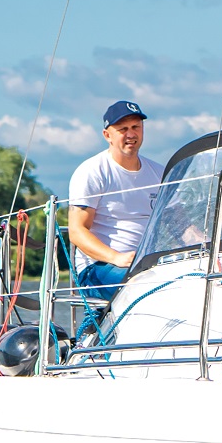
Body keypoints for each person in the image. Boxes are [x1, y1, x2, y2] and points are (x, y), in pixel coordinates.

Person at [68, 100, 162, 306]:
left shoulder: (159, 173)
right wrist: (116, 258)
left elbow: (180, 224)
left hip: (150, 264)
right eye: (123, 129)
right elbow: (76, 231)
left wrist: (212, 247)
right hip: (99, 267)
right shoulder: (93, 171)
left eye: (136, 127)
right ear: (107, 135)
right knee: (149, 286)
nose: (131, 134)